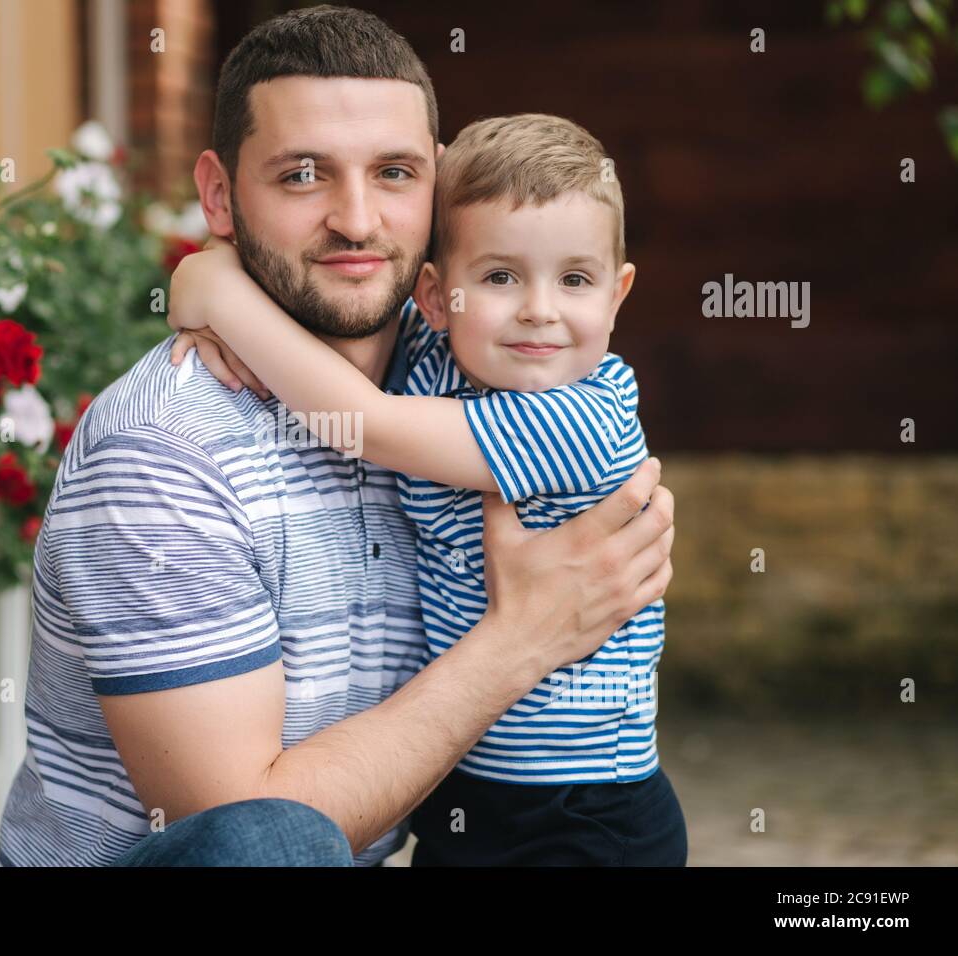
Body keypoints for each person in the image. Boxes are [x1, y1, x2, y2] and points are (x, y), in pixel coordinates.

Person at [0, 5, 673, 867]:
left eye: (394, 174)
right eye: (303, 175)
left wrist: (210, 285)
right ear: (219, 195)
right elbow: (245, 833)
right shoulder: (160, 454)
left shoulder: (452, 359)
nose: (357, 221)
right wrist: (524, 636)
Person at [168, 112, 688, 865]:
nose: (539, 309)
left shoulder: (584, 417)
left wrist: (216, 292)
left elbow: (360, 421)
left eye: (575, 279)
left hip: (584, 814)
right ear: (439, 299)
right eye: (501, 277)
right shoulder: (442, 359)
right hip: (463, 785)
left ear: (617, 293)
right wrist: (209, 277)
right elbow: (328, 323)